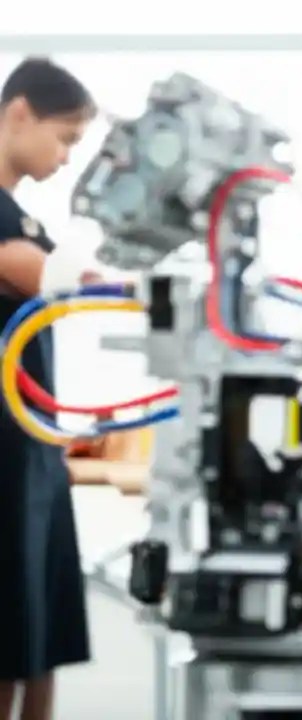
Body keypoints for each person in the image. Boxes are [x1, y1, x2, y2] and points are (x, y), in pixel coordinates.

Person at [0, 57, 97, 720]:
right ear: (19, 113)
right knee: (9, 634)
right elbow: (44, 279)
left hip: (32, 449)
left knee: (42, 637)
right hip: (3, 458)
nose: (65, 158)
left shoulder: (21, 216)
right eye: (63, 138)